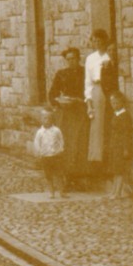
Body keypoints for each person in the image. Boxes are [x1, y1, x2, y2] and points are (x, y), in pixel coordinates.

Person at [50, 45, 88, 189]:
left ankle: (78, 178)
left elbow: (89, 91)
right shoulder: (61, 74)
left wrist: (80, 100)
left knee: (79, 144)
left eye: (73, 58)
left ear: (78, 59)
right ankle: (66, 178)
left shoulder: (85, 73)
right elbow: (52, 93)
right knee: (66, 144)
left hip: (80, 112)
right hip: (66, 114)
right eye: (68, 59)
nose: (71, 61)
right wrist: (58, 102)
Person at [85, 30, 116, 174]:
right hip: (97, 90)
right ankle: (97, 163)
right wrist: (89, 102)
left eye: (99, 40)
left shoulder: (110, 54)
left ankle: (111, 162)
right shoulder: (90, 58)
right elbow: (88, 82)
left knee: (110, 123)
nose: (97, 43)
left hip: (110, 90)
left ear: (104, 41)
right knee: (97, 126)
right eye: (94, 40)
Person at [31, 108, 66, 198]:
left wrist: (60, 150)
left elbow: (61, 140)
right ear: (41, 119)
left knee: (59, 174)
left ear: (52, 120)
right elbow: (37, 143)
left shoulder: (56, 130)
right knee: (48, 175)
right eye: (44, 118)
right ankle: (51, 192)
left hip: (55, 156)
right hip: (45, 156)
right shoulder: (40, 132)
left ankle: (61, 191)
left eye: (49, 118)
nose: (46, 121)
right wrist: (39, 152)